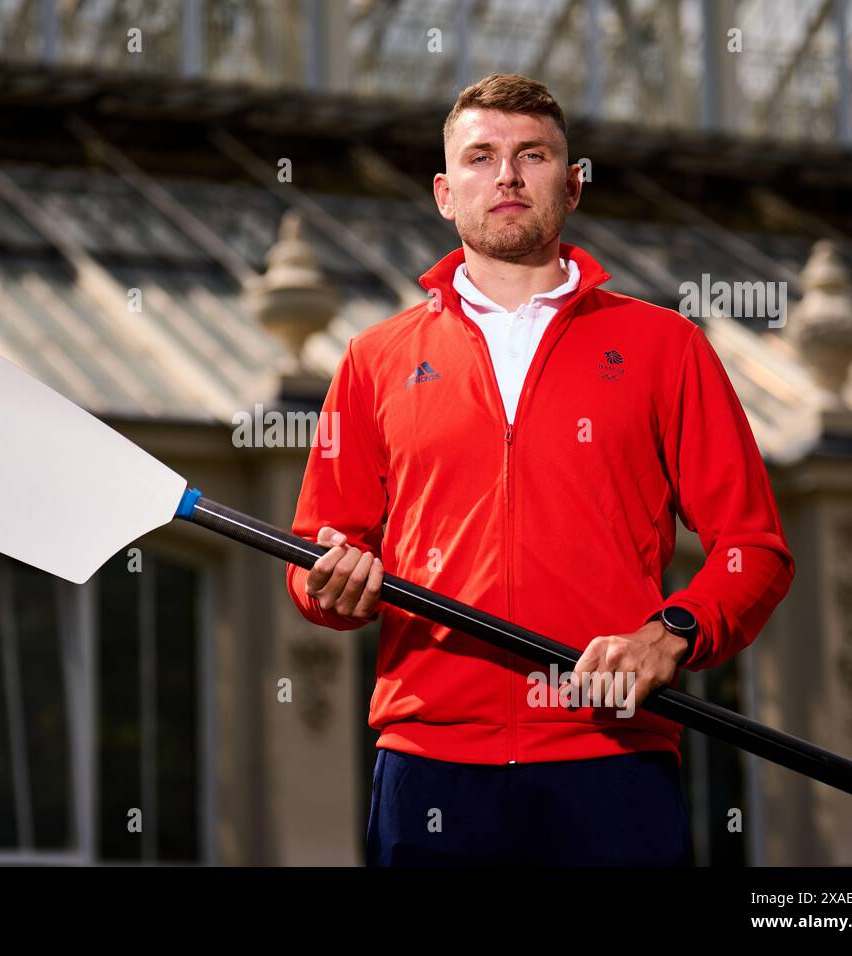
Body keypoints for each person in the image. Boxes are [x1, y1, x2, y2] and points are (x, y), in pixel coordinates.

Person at [284, 73, 795, 866]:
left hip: (610, 757)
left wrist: (674, 633)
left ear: (574, 183)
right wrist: (329, 583)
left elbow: (752, 548)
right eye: (482, 157)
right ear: (446, 193)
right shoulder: (374, 360)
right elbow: (319, 551)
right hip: (429, 763)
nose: (510, 176)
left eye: (534, 155)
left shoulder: (667, 348)